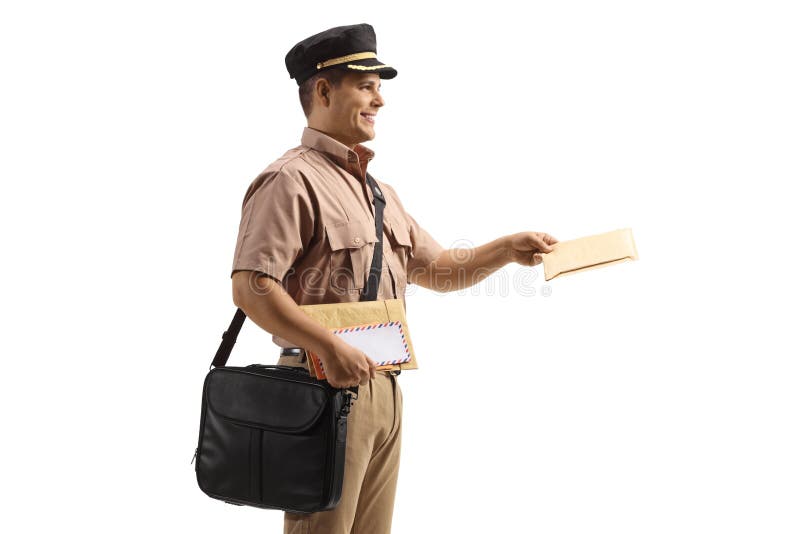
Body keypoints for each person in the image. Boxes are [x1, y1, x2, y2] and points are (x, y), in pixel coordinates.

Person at [230, 22, 557, 534]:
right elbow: (252, 287)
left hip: (383, 389)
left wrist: (506, 249)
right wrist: (332, 348)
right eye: (366, 85)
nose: (379, 100)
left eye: (379, 87)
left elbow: (441, 270)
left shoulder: (380, 194)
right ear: (322, 90)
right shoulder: (289, 179)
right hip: (320, 384)